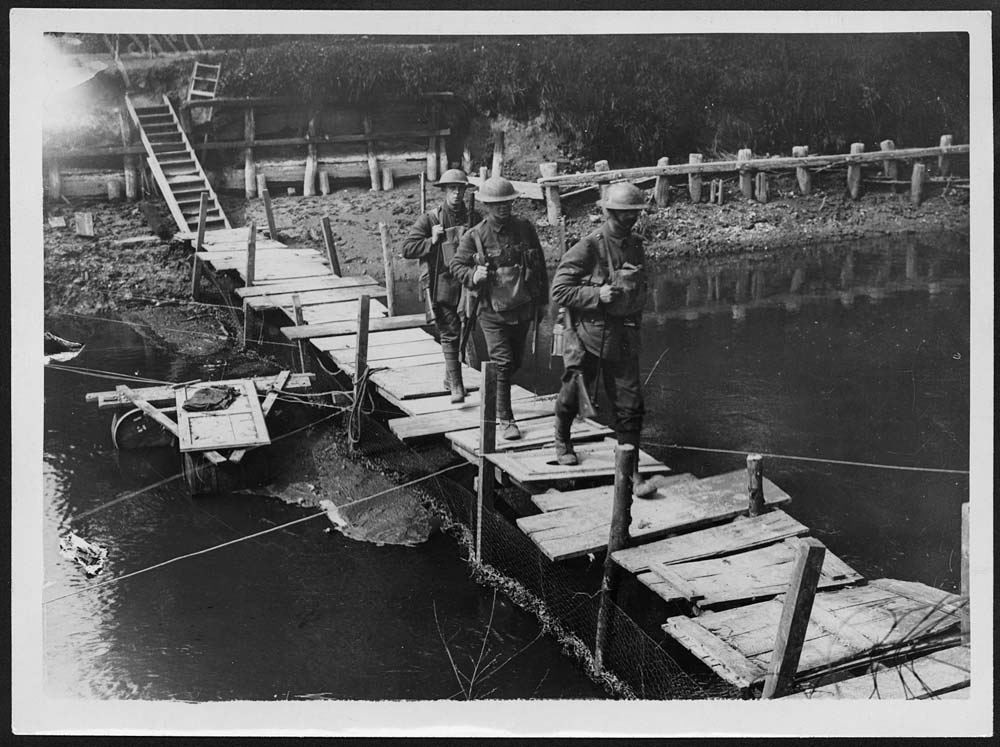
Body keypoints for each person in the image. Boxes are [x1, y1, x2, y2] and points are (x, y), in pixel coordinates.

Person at [550, 181, 656, 496]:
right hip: (588, 337)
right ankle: (562, 439)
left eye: (634, 213)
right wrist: (598, 293)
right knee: (573, 394)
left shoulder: (636, 244)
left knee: (631, 406)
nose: (630, 218)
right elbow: (559, 289)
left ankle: (631, 472)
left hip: (624, 338)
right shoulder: (589, 247)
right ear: (609, 212)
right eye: (623, 213)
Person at [450, 176, 548, 440]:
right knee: (503, 362)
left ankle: (492, 391)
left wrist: (544, 303)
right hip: (491, 311)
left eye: (507, 202)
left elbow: (539, 267)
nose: (503, 208)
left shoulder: (525, 228)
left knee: (515, 361)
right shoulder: (475, 236)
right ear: (486, 205)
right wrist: (473, 275)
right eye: (497, 204)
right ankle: (505, 419)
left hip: (522, 308)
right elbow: (456, 266)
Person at [401, 168, 479, 403]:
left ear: (465, 190)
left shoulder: (474, 218)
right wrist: (430, 240)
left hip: (467, 284)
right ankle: (456, 384)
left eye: (460, 188)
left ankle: (449, 376)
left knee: (466, 329)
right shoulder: (431, 218)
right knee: (450, 331)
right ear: (445, 191)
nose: (456, 193)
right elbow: (407, 248)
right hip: (442, 284)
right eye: (451, 189)